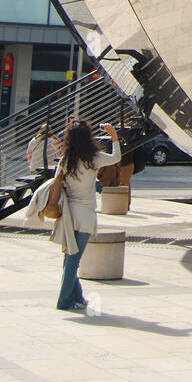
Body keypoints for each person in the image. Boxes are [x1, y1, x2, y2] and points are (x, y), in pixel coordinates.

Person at [55, 119, 121, 311]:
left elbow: (57, 182)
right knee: (73, 260)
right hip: (86, 214)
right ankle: (64, 301)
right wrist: (113, 136)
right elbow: (116, 157)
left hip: (69, 213)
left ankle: (78, 297)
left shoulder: (66, 159)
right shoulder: (94, 158)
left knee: (69, 258)